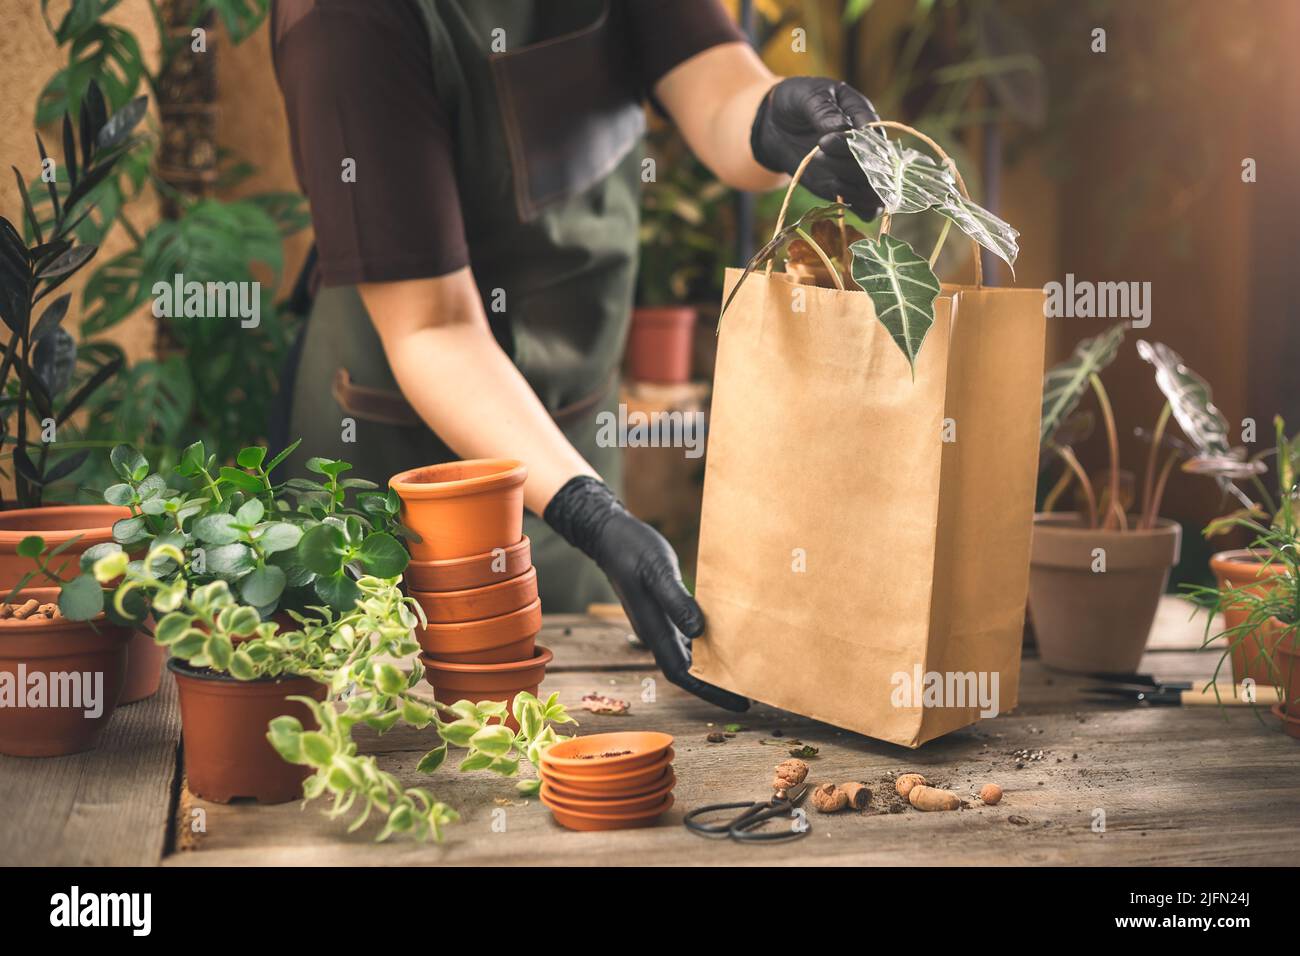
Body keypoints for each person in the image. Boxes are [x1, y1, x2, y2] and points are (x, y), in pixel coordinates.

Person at [270, 0, 883, 712]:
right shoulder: (344, 21)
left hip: (573, 429)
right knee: (413, 731)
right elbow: (433, 328)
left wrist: (771, 119)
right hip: (401, 466)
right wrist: (590, 513)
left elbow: (714, 88)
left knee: (577, 705)